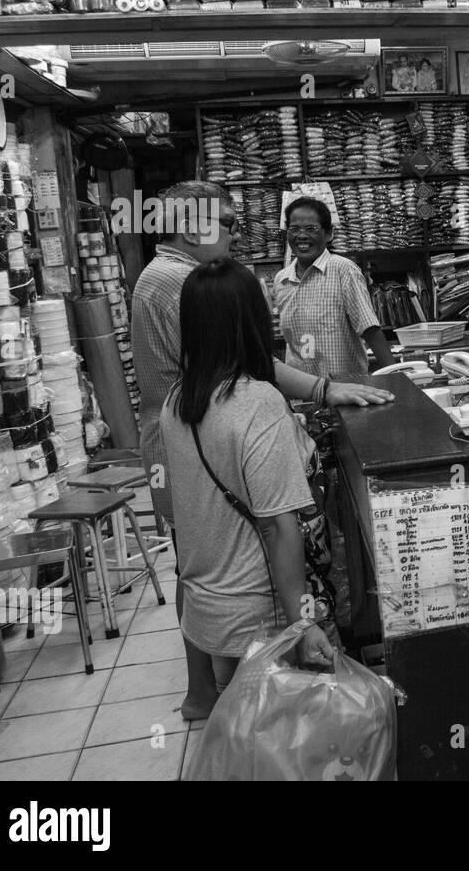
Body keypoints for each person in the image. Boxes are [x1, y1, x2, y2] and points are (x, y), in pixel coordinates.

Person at [131, 181, 393, 720]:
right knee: (221, 554)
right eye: (227, 222)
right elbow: (278, 524)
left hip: (190, 432)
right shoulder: (186, 284)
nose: (234, 233)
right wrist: (299, 621)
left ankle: (212, 685)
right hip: (204, 437)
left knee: (201, 559)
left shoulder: (172, 279)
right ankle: (213, 687)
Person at [161, 258, 335, 692]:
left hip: (211, 610)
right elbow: (279, 527)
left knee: (248, 730)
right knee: (292, 740)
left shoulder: (178, 401)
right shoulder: (258, 404)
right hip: (264, 611)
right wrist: (303, 624)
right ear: (252, 320)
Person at [274, 197, 397, 379]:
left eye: (311, 229)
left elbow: (369, 328)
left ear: (329, 234)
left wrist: (395, 378)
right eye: (294, 229)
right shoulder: (282, 279)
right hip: (302, 391)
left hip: (347, 390)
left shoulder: (343, 270)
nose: (301, 236)